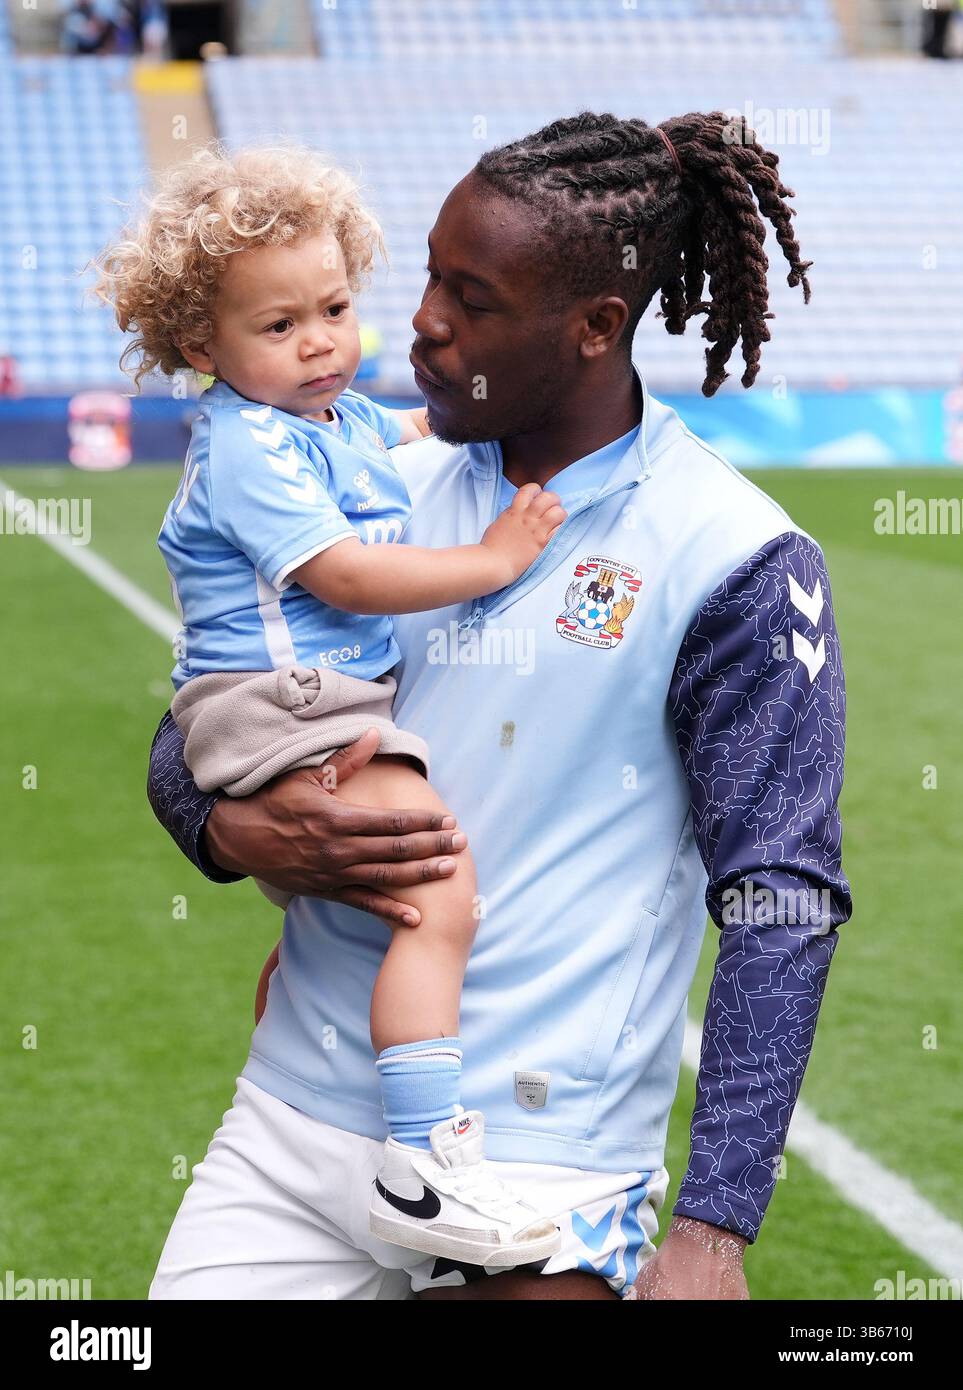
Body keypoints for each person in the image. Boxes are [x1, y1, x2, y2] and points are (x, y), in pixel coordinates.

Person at [146, 111, 852, 1301]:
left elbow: (782, 896)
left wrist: (715, 1226)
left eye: (469, 297)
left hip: (538, 1171)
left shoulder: (735, 555)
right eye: (427, 272)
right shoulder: (364, 470)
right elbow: (201, 716)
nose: (422, 317)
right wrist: (224, 830)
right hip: (290, 1130)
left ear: (593, 327)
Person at [95, 143, 567, 1266]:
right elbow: (347, 576)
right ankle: (425, 1162)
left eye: (336, 308)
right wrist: (495, 559)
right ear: (203, 347)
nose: (319, 343)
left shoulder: (331, 417)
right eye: (278, 326)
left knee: (385, 896)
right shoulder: (249, 444)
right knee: (436, 888)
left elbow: (409, 437)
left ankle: (392, 1125)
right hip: (279, 698)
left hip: (303, 699)